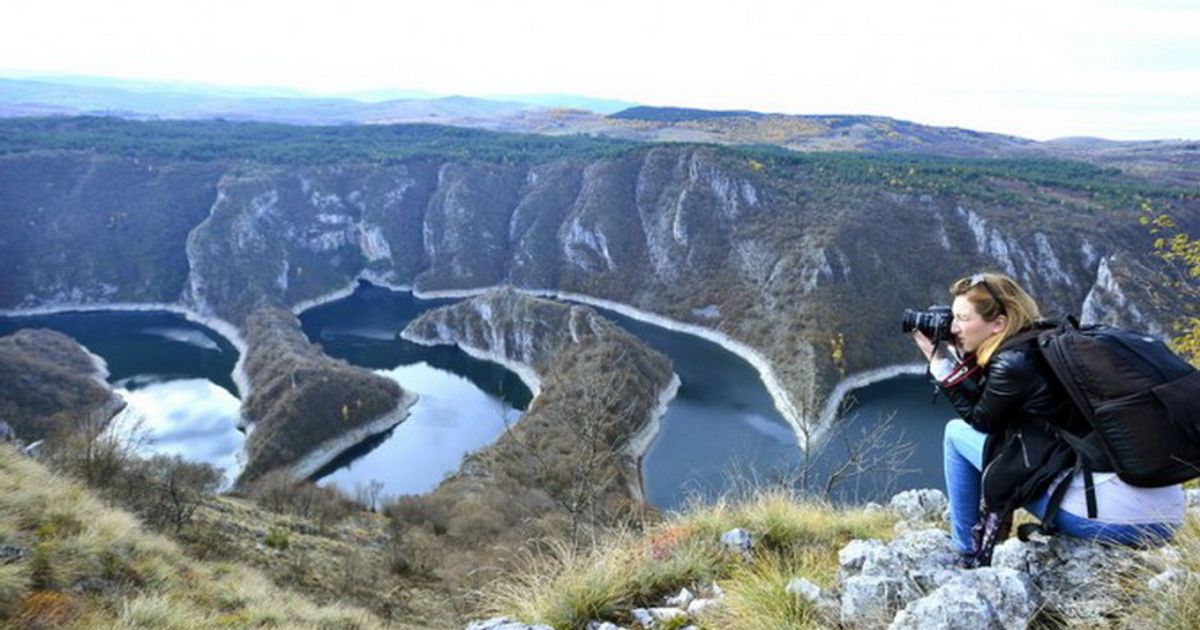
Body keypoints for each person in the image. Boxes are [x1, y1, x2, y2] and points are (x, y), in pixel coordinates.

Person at [911, 272, 1184, 565]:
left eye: (962, 318)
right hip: (1167, 514)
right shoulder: (1045, 341)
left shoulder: (1012, 363)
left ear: (998, 324)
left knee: (955, 434)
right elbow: (994, 405)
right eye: (952, 317)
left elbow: (983, 420)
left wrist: (940, 362)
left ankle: (966, 551)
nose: (952, 328)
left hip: (1117, 520)